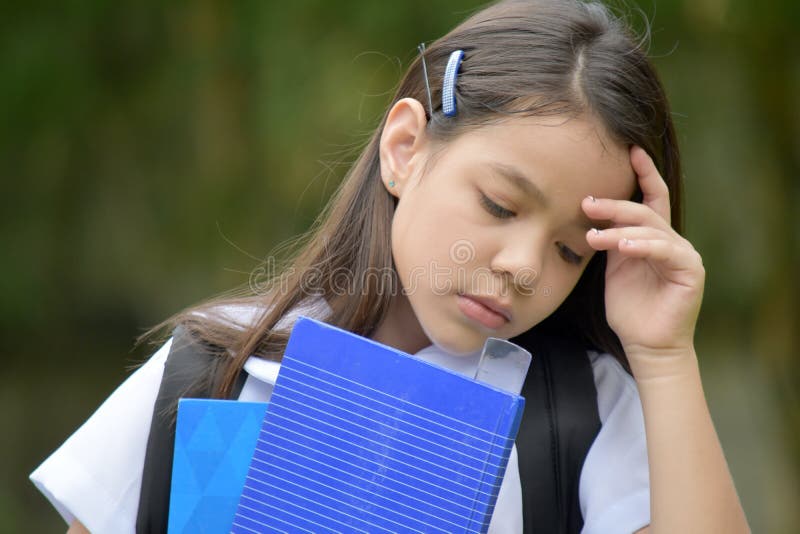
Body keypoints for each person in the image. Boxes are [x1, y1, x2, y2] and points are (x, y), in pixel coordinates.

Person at [31, 0, 750, 532]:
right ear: (406, 147)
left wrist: (663, 355)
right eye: (500, 205)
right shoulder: (213, 366)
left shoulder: (588, 411)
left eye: (570, 249)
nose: (524, 266)